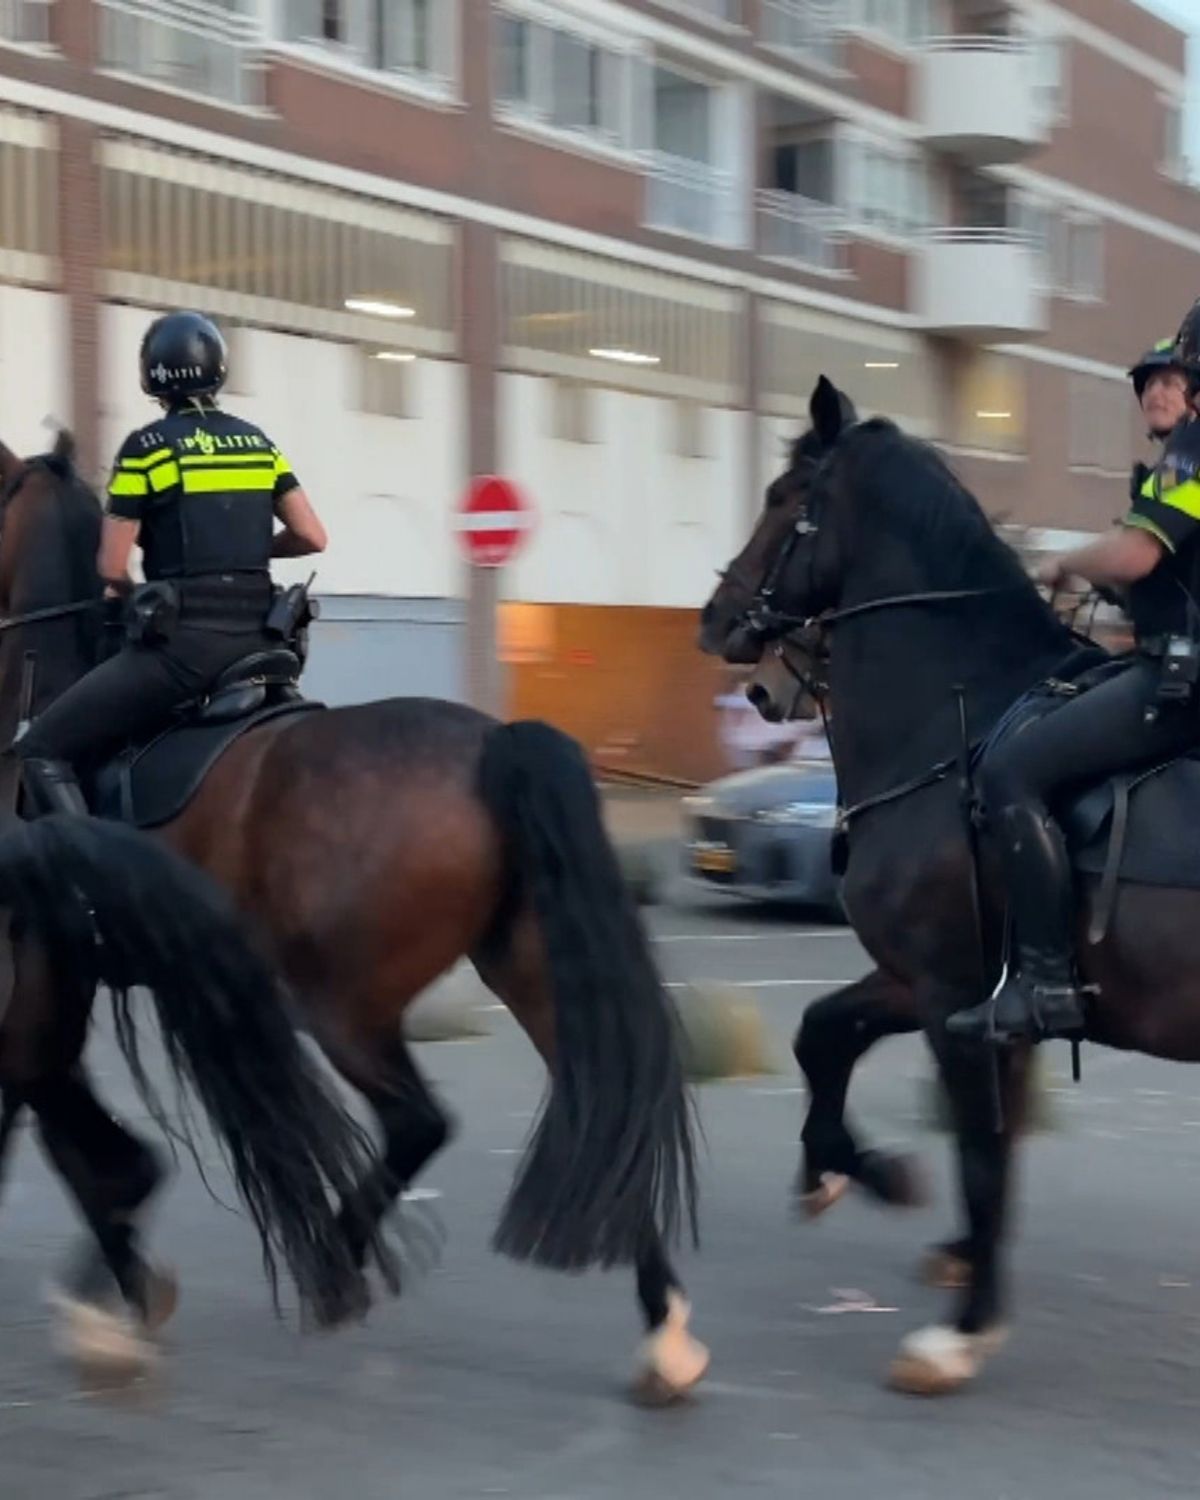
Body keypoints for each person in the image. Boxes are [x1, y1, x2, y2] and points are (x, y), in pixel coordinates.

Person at [949, 304, 1200, 1044]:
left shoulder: (1193, 453)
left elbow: (1136, 554)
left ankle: (1045, 984)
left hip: (1181, 686)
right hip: (1166, 661)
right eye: (1146, 381)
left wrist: (1064, 562)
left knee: (1011, 773)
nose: (1156, 390)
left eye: (1174, 374)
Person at [13, 310, 328, 816]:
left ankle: (85, 871)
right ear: (218, 369)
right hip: (267, 645)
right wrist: (247, 550)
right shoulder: (257, 443)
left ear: (152, 377)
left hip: (186, 653)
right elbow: (312, 535)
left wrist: (138, 594)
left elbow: (112, 565)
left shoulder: (147, 449)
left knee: (41, 750)